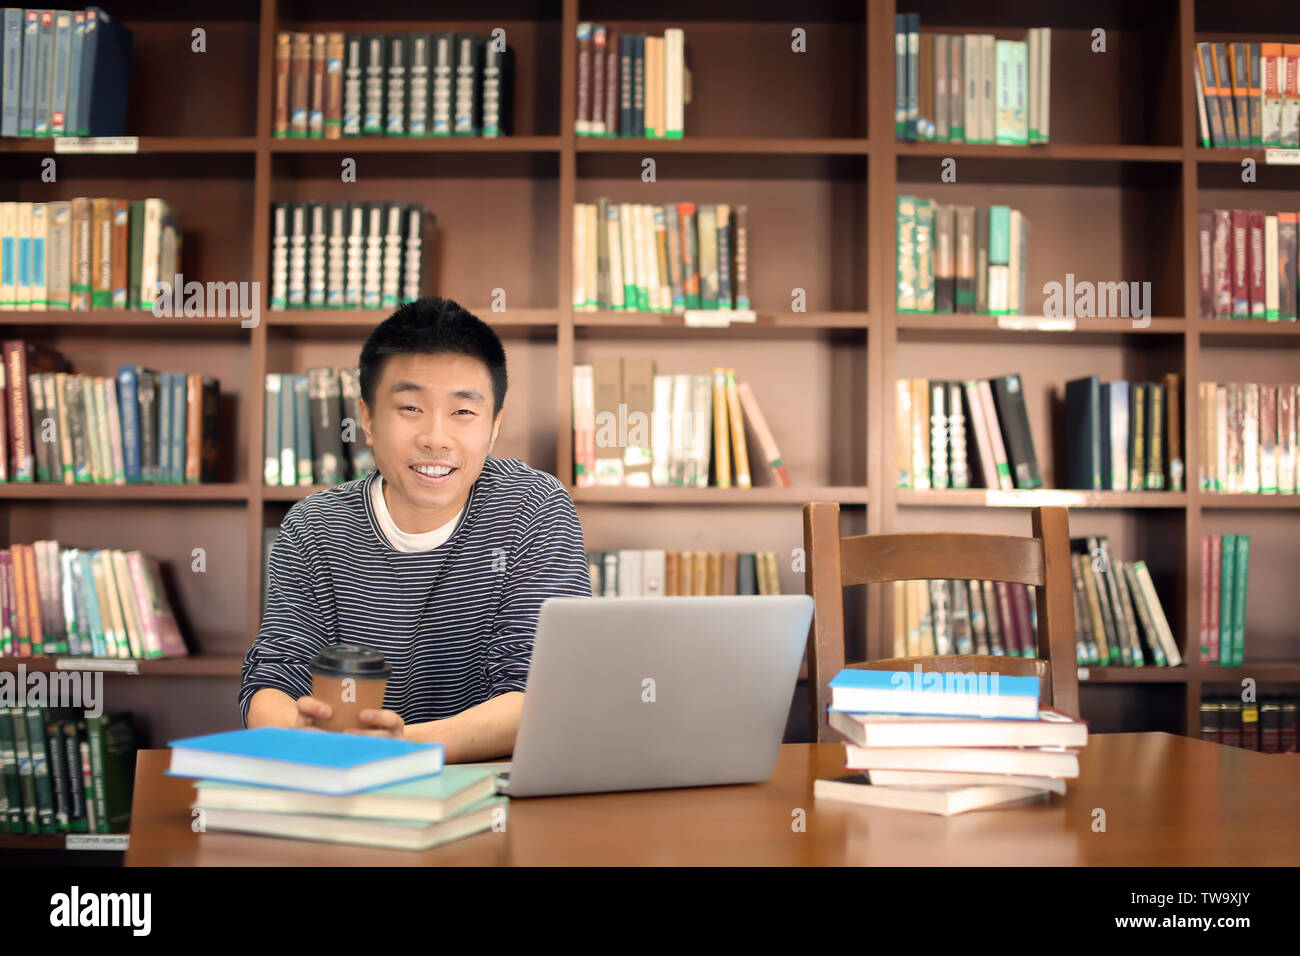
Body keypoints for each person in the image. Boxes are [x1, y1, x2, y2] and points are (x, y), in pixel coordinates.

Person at [240, 297, 591, 761]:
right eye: (410, 408)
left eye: (463, 412)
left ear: (493, 426)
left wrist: (400, 747)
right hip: (346, 787)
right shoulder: (314, 525)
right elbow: (272, 678)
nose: (436, 437)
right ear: (367, 419)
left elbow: (542, 689)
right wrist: (300, 735)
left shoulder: (532, 508)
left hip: (491, 795)